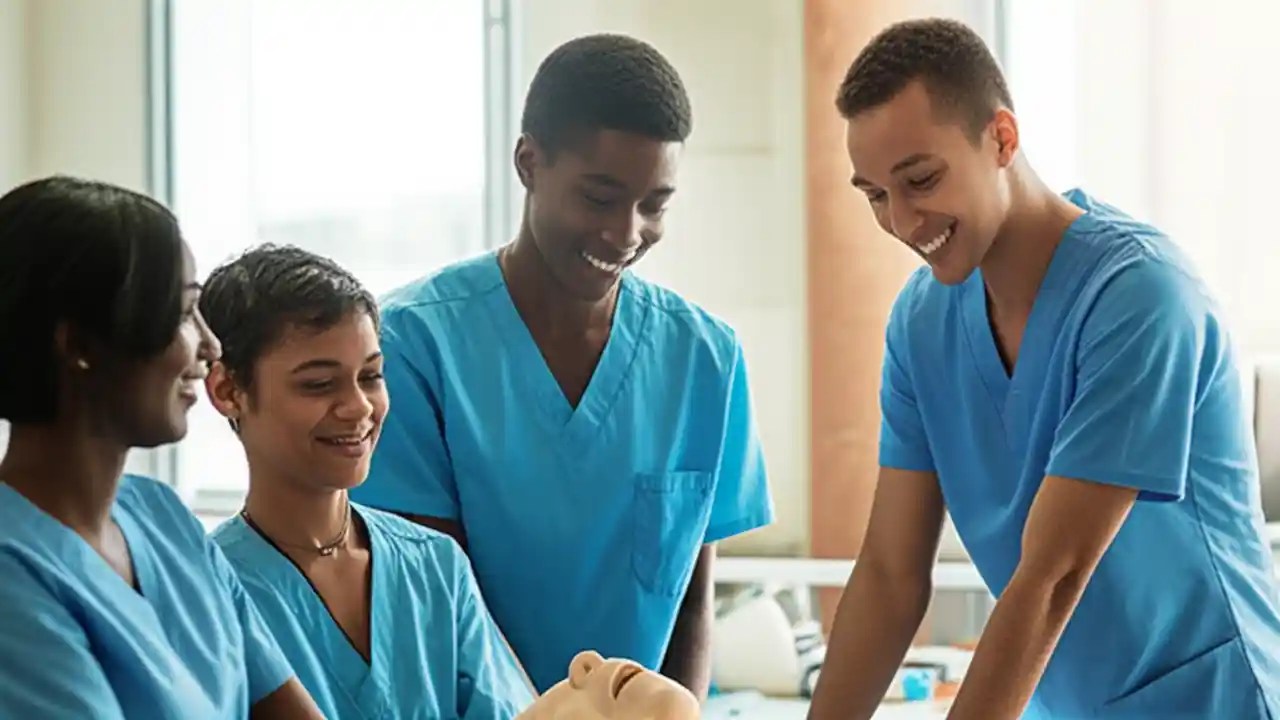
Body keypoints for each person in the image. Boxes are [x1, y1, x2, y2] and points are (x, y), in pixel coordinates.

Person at [807, 18, 1280, 720]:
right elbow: (889, 575)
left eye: (921, 180)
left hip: (1214, 703)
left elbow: (1054, 576)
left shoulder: (1138, 297)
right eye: (876, 195)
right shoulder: (921, 324)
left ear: (1001, 138)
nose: (903, 222)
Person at [350, 33, 774, 696]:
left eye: (654, 204)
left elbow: (692, 599)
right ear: (529, 162)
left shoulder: (705, 360)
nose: (627, 234)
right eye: (599, 198)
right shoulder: (412, 347)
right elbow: (435, 607)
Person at [0, 176, 325, 719]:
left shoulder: (165, 519)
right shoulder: (13, 575)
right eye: (182, 313)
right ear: (79, 345)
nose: (211, 345)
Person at [199, 244, 535, 719]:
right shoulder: (206, 593)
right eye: (318, 384)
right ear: (227, 390)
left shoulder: (435, 567)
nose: (358, 407)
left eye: (371, 376)